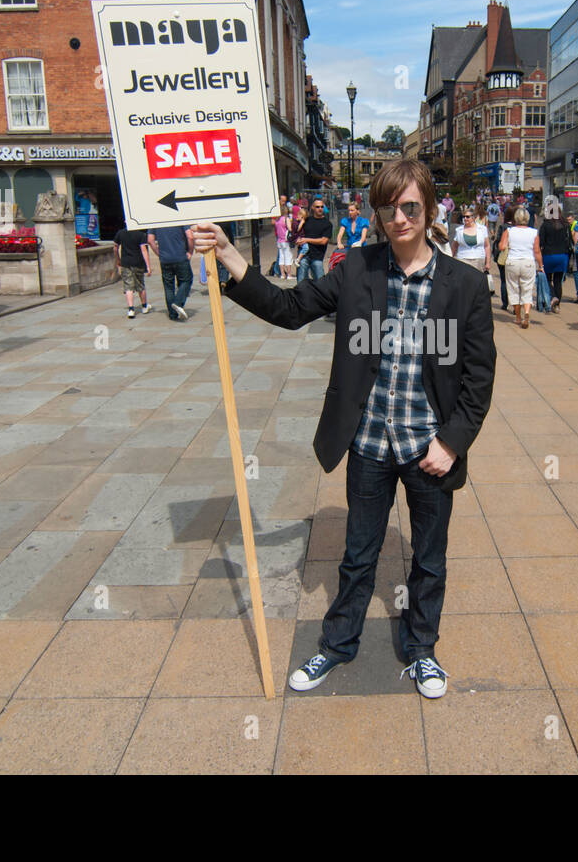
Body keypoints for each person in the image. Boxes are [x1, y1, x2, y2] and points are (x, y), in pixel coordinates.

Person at [191, 159, 495, 699]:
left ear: (428, 209)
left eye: (409, 207)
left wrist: (452, 443)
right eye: (387, 207)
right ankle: (337, 645)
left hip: (431, 449)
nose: (398, 218)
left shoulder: (466, 284)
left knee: (428, 557)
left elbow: (478, 377)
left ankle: (422, 648)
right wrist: (230, 256)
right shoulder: (358, 269)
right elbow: (289, 308)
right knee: (358, 553)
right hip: (370, 444)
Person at [499, 207, 542, 329]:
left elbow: (502, 247)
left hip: (513, 262)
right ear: (528, 219)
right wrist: (541, 265)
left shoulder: (509, 231)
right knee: (527, 289)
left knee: (513, 289)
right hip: (528, 262)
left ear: (515, 218)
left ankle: (518, 317)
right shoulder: (534, 232)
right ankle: (527, 313)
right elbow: (537, 251)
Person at [148, 223, 194, 321]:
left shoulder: (154, 220)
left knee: (168, 286)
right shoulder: (178, 218)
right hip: (180, 256)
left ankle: (173, 314)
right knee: (187, 280)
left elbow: (150, 240)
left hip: (165, 259)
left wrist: (158, 253)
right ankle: (178, 303)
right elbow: (190, 236)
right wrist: (190, 251)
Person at [538, 202, 572, 312]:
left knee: (547, 279)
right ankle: (557, 305)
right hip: (562, 256)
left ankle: (553, 297)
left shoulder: (545, 225)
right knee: (558, 281)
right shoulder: (566, 225)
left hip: (548, 256)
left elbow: (541, 242)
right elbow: (570, 241)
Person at [113, 225, 152, 318]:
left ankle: (131, 309)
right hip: (138, 262)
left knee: (128, 286)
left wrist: (117, 259)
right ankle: (144, 306)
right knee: (140, 285)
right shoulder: (141, 234)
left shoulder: (120, 233)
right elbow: (144, 250)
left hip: (126, 263)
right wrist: (148, 266)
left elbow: (115, 247)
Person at [296, 197, 333, 282]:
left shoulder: (327, 224)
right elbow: (298, 232)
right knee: (301, 282)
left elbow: (324, 241)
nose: (320, 209)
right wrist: (297, 239)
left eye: (321, 207)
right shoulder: (307, 220)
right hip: (304, 255)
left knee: (321, 283)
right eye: (317, 207)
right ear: (312, 207)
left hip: (317, 256)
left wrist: (306, 240)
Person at [451, 205, 491, 277]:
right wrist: (451, 259)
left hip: (478, 259)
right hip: (463, 259)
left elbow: (487, 246)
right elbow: (454, 246)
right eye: (464, 217)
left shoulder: (482, 229)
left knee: (477, 282)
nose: (465, 219)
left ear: (474, 218)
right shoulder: (459, 230)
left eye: (467, 217)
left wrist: (488, 262)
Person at [273, 199, 294, 280]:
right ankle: (289, 274)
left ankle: (282, 274)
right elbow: (290, 228)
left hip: (279, 240)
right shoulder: (286, 219)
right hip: (286, 241)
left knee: (281, 258)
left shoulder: (277, 220)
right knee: (288, 257)